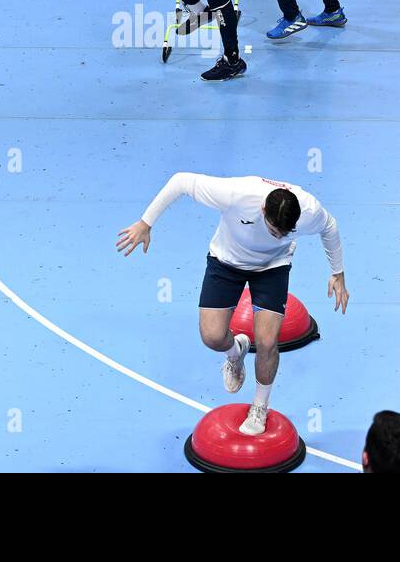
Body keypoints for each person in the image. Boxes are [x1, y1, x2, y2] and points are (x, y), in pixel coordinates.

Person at [117, 172, 348, 437]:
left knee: (268, 342)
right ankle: (235, 352)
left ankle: (260, 406)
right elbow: (181, 181)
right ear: (262, 210)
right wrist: (146, 223)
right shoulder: (237, 194)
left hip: (273, 267)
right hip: (226, 261)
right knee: (213, 337)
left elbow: (330, 227)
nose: (277, 236)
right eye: (273, 231)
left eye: (284, 233)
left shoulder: (308, 210)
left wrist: (337, 273)